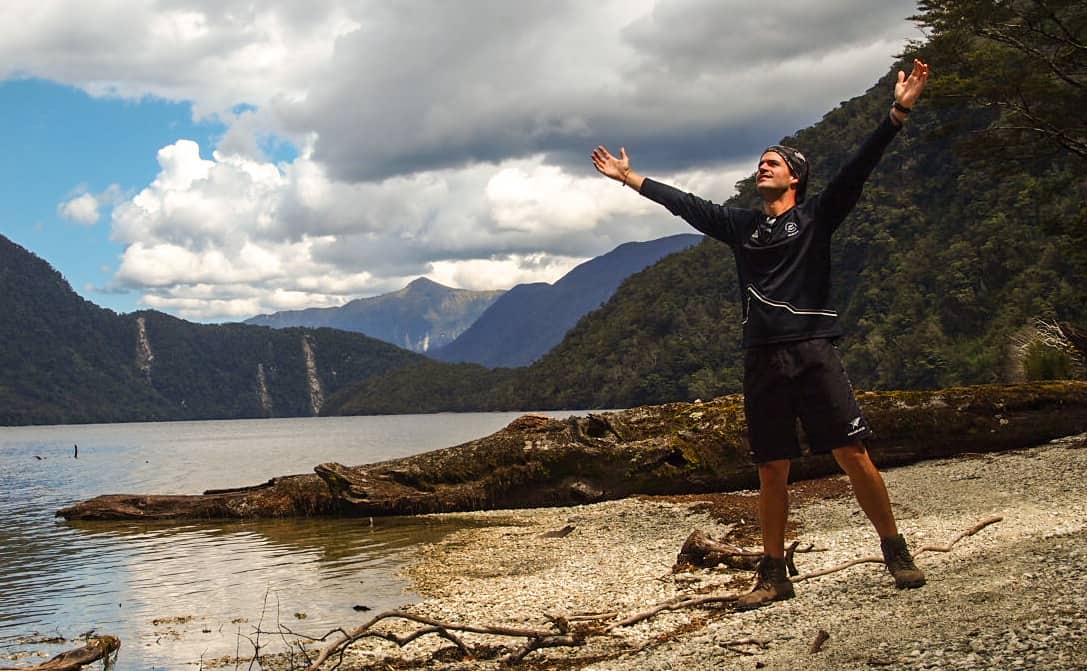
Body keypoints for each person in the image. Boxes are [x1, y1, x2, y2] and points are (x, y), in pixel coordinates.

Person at [591, 59, 930, 609]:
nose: (762, 168)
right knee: (772, 467)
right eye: (760, 162)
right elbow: (690, 206)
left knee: (852, 453)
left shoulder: (819, 214)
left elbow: (859, 167)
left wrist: (899, 110)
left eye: (772, 163)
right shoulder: (745, 227)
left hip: (813, 352)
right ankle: (773, 574)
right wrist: (631, 179)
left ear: (795, 175)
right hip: (762, 358)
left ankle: (895, 550)